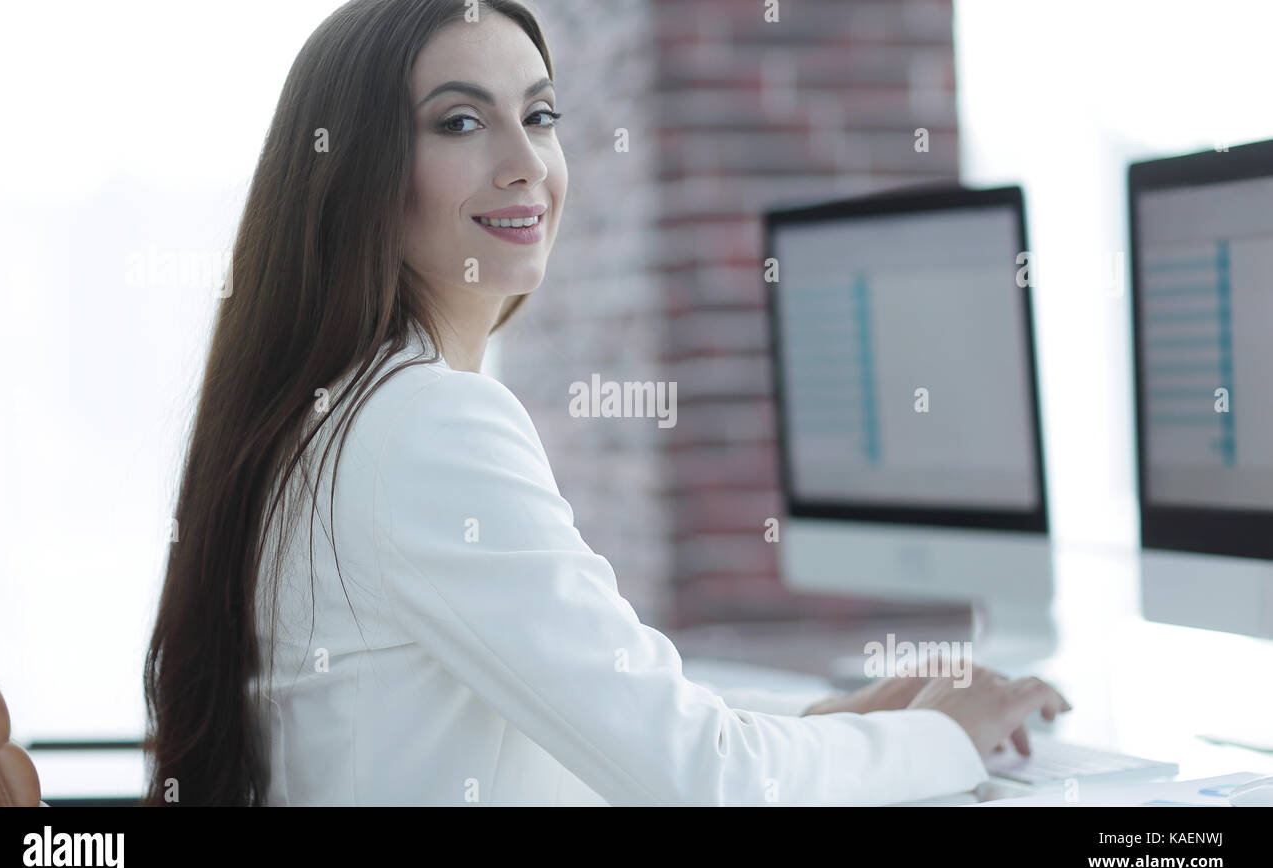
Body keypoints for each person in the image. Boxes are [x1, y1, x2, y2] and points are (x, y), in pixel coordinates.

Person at [142, 0, 1070, 807]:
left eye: (540, 115)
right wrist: (949, 735)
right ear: (360, 176)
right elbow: (707, 784)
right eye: (460, 124)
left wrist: (821, 720)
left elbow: (585, 720)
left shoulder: (335, 413)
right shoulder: (424, 426)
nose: (526, 164)